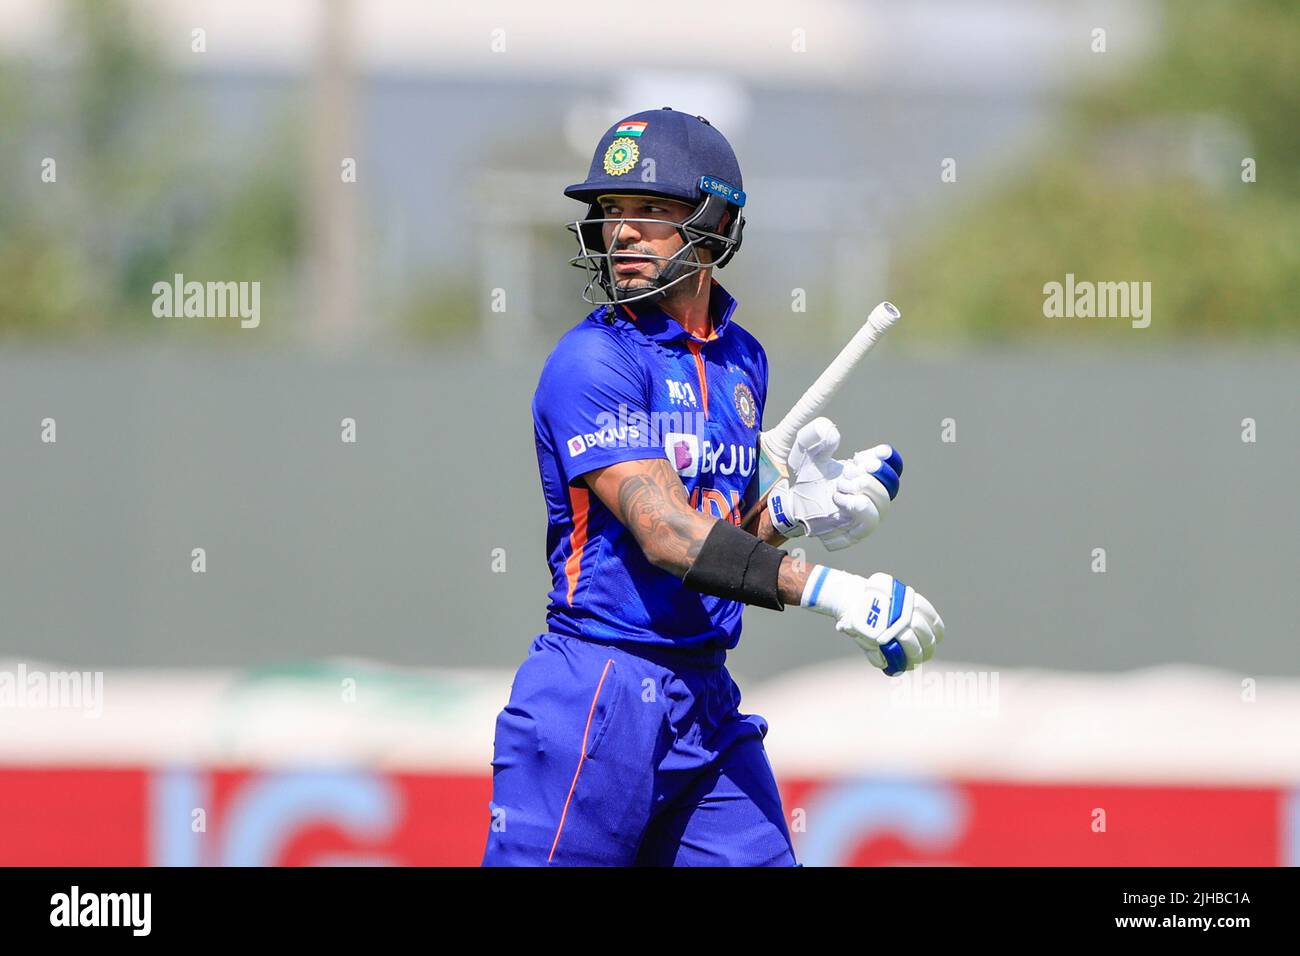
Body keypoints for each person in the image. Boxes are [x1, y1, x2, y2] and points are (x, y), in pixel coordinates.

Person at [482, 107, 944, 866]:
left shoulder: (743, 361)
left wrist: (792, 513)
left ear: (715, 220)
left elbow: (718, 531)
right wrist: (829, 589)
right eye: (611, 213)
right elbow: (666, 534)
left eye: (651, 211)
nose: (622, 232)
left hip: (703, 695)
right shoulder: (592, 361)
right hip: (596, 691)